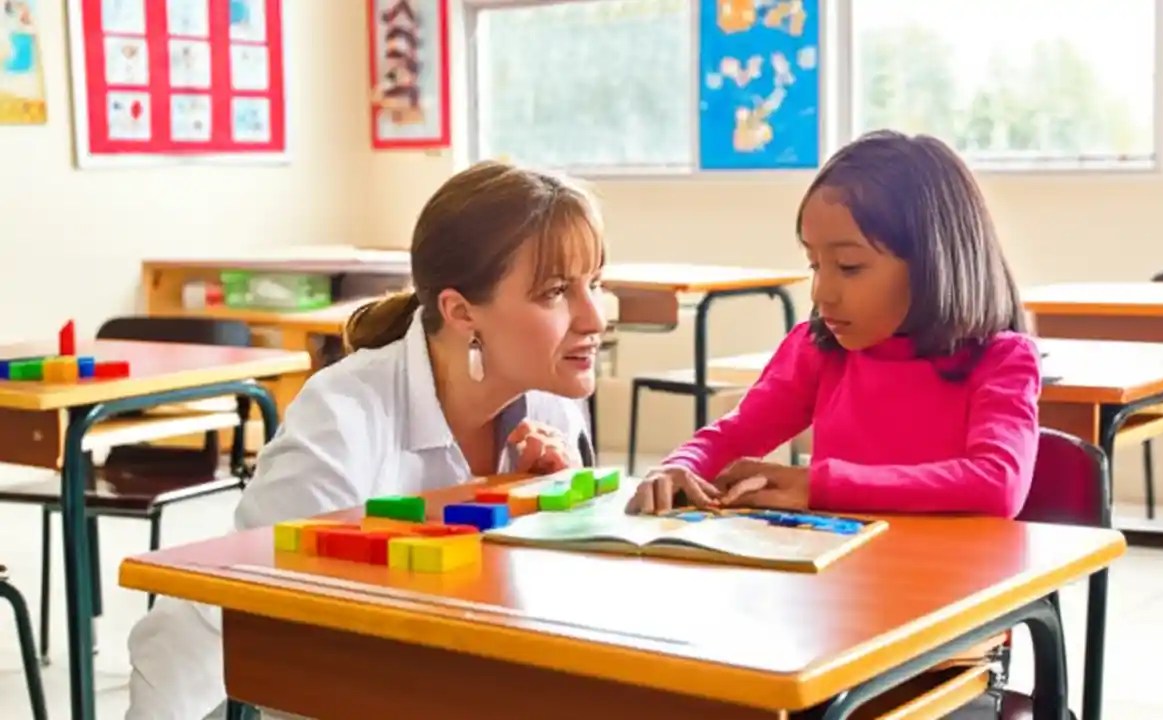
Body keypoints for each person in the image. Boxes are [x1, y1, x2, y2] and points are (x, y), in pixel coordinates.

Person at [125, 160, 609, 719]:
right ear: (460, 312)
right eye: (555, 292)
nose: (594, 317)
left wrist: (564, 511)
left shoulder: (552, 395)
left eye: (594, 284)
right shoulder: (344, 415)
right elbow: (228, 607)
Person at [626, 130, 1041, 518]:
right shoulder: (820, 349)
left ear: (933, 264)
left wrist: (820, 486)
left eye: (849, 266)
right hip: (843, 580)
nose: (821, 292)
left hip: (957, 586)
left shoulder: (1003, 360)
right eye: (814, 264)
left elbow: (997, 485)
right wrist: (681, 465)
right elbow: (735, 435)